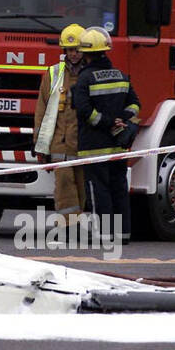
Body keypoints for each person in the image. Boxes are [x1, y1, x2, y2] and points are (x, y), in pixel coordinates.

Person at [70, 25, 140, 245]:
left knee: (98, 190)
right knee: (119, 189)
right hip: (119, 145)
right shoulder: (121, 75)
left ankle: (105, 236)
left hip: (94, 145)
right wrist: (122, 119)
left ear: (86, 54)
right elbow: (136, 105)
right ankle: (123, 234)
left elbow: (83, 110)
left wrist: (107, 122)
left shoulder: (85, 78)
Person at [33, 23, 87, 220]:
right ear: (65, 50)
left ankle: (79, 222)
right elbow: (42, 109)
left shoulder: (89, 75)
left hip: (82, 142)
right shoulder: (54, 74)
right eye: (70, 50)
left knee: (82, 185)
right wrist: (39, 144)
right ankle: (68, 225)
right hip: (59, 142)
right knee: (64, 184)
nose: (74, 54)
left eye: (78, 50)